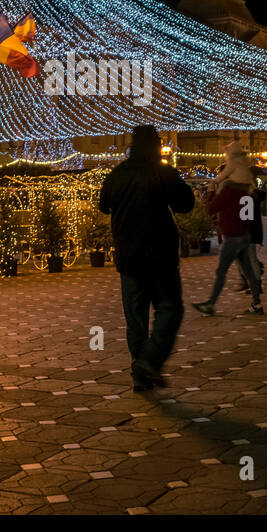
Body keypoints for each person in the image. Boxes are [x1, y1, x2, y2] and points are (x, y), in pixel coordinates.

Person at [98, 125, 195, 392]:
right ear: (156, 146)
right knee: (170, 309)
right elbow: (185, 205)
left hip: (129, 256)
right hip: (160, 255)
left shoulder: (118, 173)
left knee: (136, 318)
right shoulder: (162, 172)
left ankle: (140, 372)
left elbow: (103, 204)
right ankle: (149, 362)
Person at [193, 179, 263, 317]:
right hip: (244, 236)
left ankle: (210, 304)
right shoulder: (245, 194)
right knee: (248, 271)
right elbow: (248, 217)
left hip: (232, 237)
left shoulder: (228, 193)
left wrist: (213, 192)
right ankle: (257, 303)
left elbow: (210, 208)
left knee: (221, 271)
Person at [238, 182, 267, 292]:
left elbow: (245, 218)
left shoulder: (247, 199)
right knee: (250, 259)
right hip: (253, 233)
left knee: (249, 259)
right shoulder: (254, 198)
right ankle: (255, 283)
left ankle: (255, 284)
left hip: (248, 233)